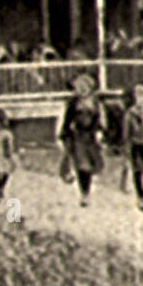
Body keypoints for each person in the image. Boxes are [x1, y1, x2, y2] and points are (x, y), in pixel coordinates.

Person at [57, 73, 106, 207]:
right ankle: (84, 193)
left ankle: (87, 189)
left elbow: (99, 119)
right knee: (82, 166)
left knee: (93, 165)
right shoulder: (73, 103)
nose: (82, 89)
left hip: (91, 136)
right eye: (79, 87)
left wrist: (100, 131)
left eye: (84, 87)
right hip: (78, 136)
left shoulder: (95, 102)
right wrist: (64, 133)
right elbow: (68, 119)